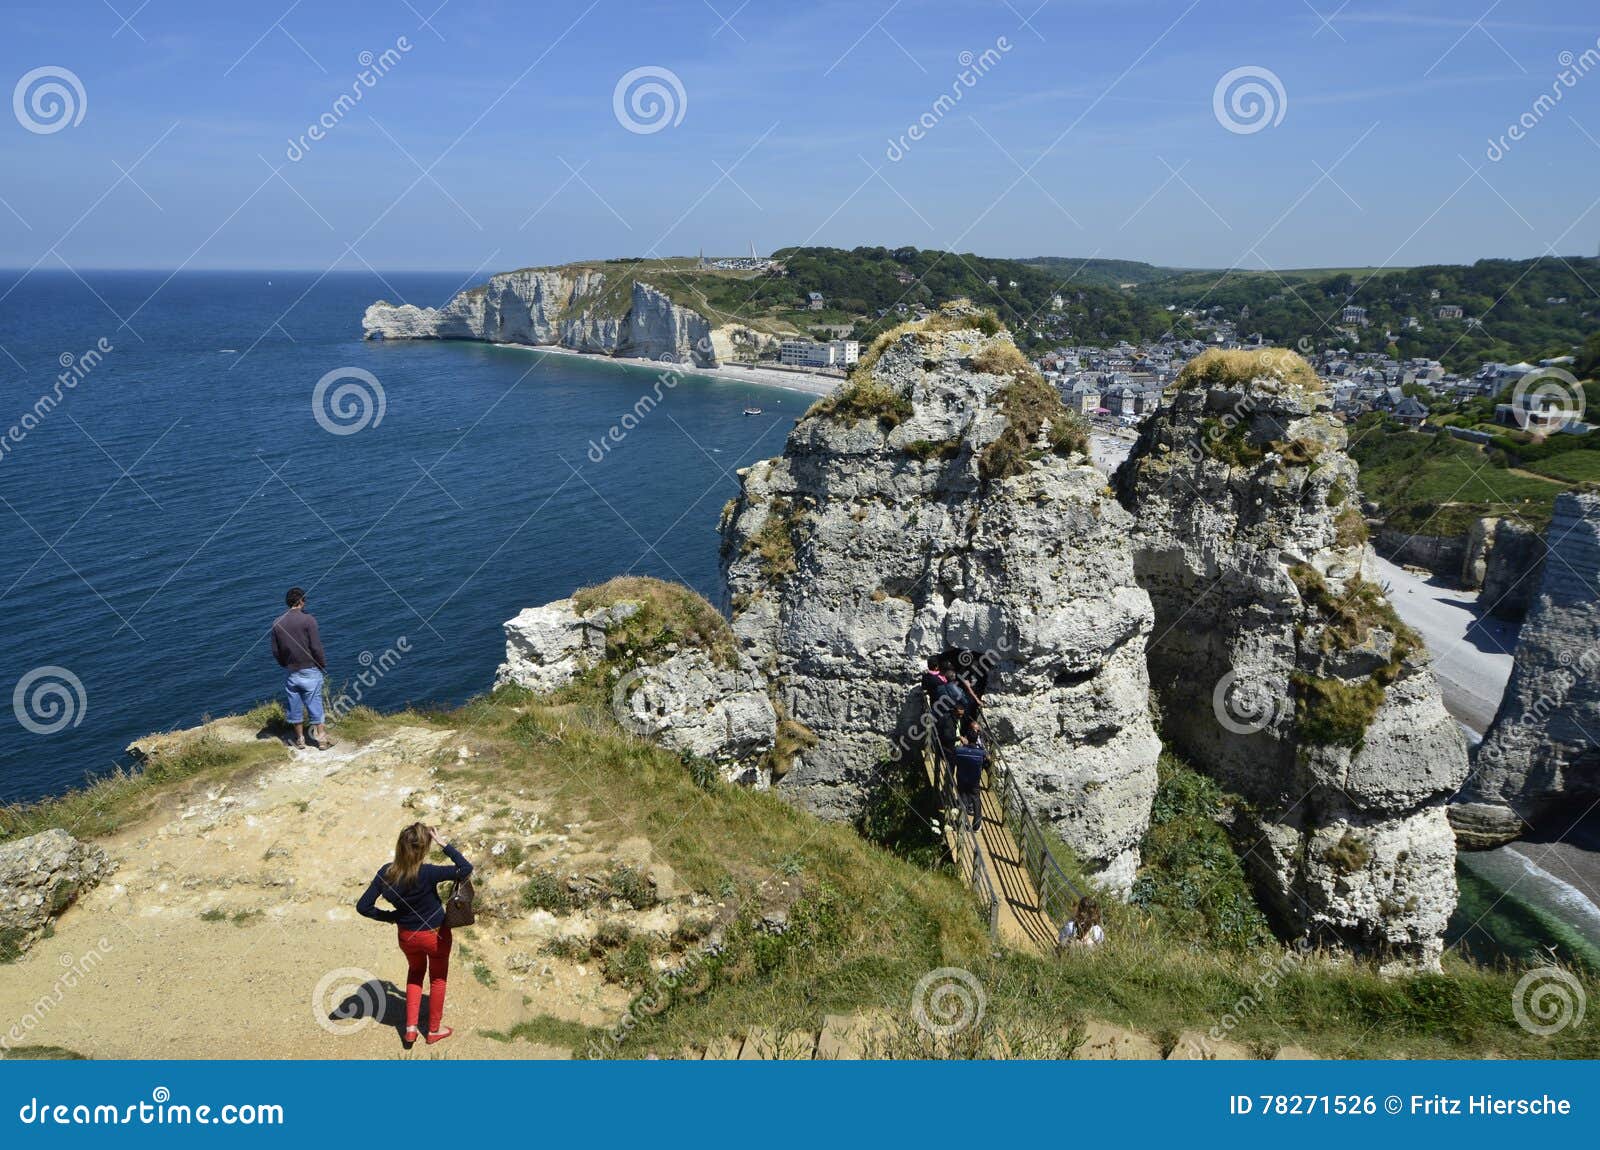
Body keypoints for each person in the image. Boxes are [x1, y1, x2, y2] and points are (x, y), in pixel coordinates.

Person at [356, 823, 474, 1045]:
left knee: (415, 972)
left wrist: (391, 917)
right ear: (424, 849)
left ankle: (410, 1029)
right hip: (435, 934)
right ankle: (433, 1031)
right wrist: (444, 844)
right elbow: (465, 868)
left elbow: (363, 906)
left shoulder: (385, 873)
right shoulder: (429, 872)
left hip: (407, 935)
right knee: (438, 978)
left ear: (400, 846)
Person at [270, 586, 330, 750]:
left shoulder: (277, 623)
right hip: (310, 669)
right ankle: (322, 740)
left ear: (287, 602)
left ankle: (300, 739)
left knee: (294, 706)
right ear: (302, 601)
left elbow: (276, 651)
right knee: (315, 704)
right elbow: (316, 647)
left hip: (292, 672)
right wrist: (321, 663)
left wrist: (285, 664)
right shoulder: (308, 620)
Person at [950, 735, 986, 832]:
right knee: (976, 801)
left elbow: (954, 761)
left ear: (967, 739)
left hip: (962, 779)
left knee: (963, 799)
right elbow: (986, 763)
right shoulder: (981, 753)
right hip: (974, 781)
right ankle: (976, 826)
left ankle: (962, 822)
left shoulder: (959, 750)